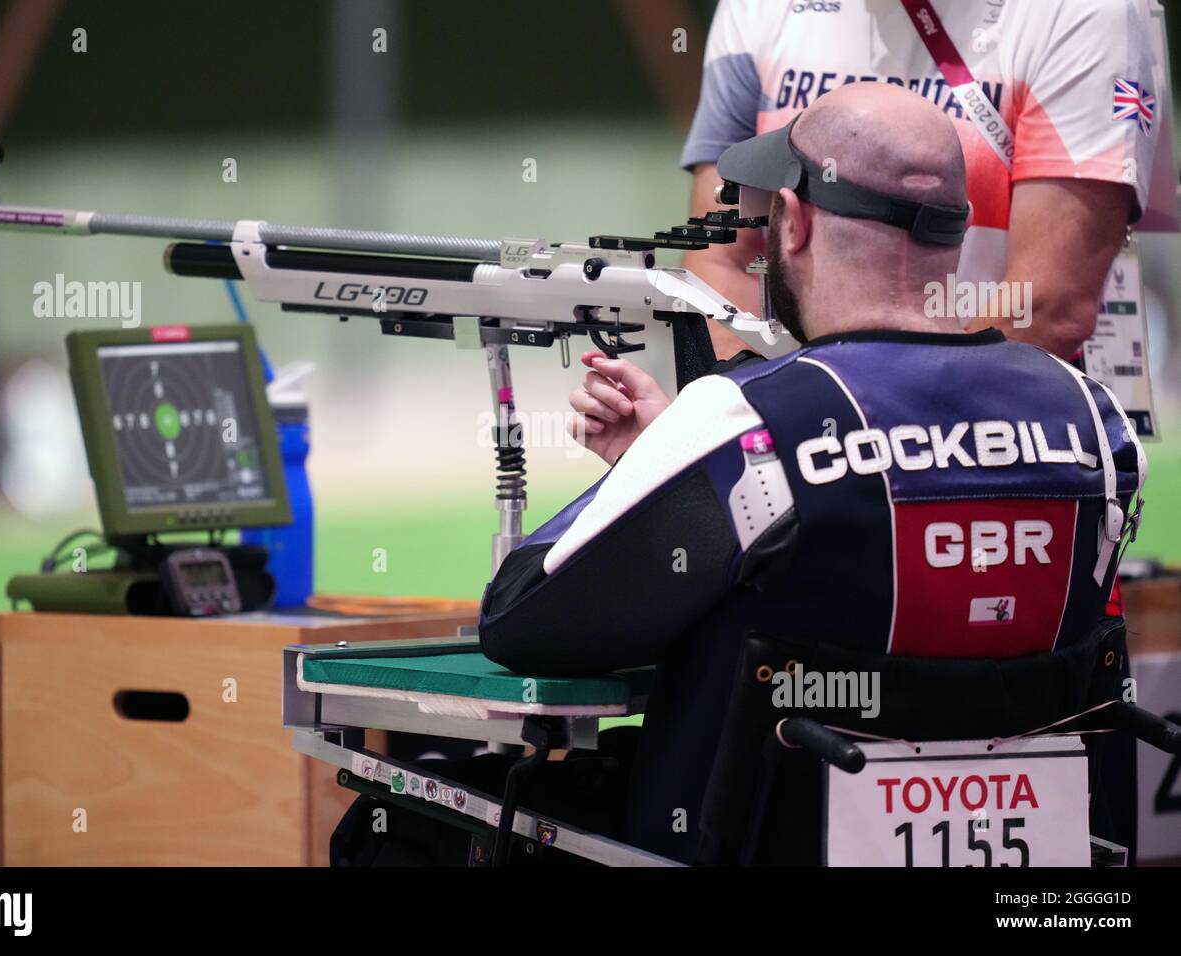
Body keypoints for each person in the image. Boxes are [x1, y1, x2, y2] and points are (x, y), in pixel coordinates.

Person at [478, 82, 1146, 862]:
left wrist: (659, 467)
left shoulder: (747, 420)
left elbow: (524, 619)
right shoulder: (1091, 420)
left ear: (793, 223)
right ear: (957, 232)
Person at [679, 0, 1175, 362]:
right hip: (795, 435)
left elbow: (1049, 305)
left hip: (995, 439)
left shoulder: (1088, 12)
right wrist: (744, 416)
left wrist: (878, 416)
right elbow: (724, 258)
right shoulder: (756, 9)